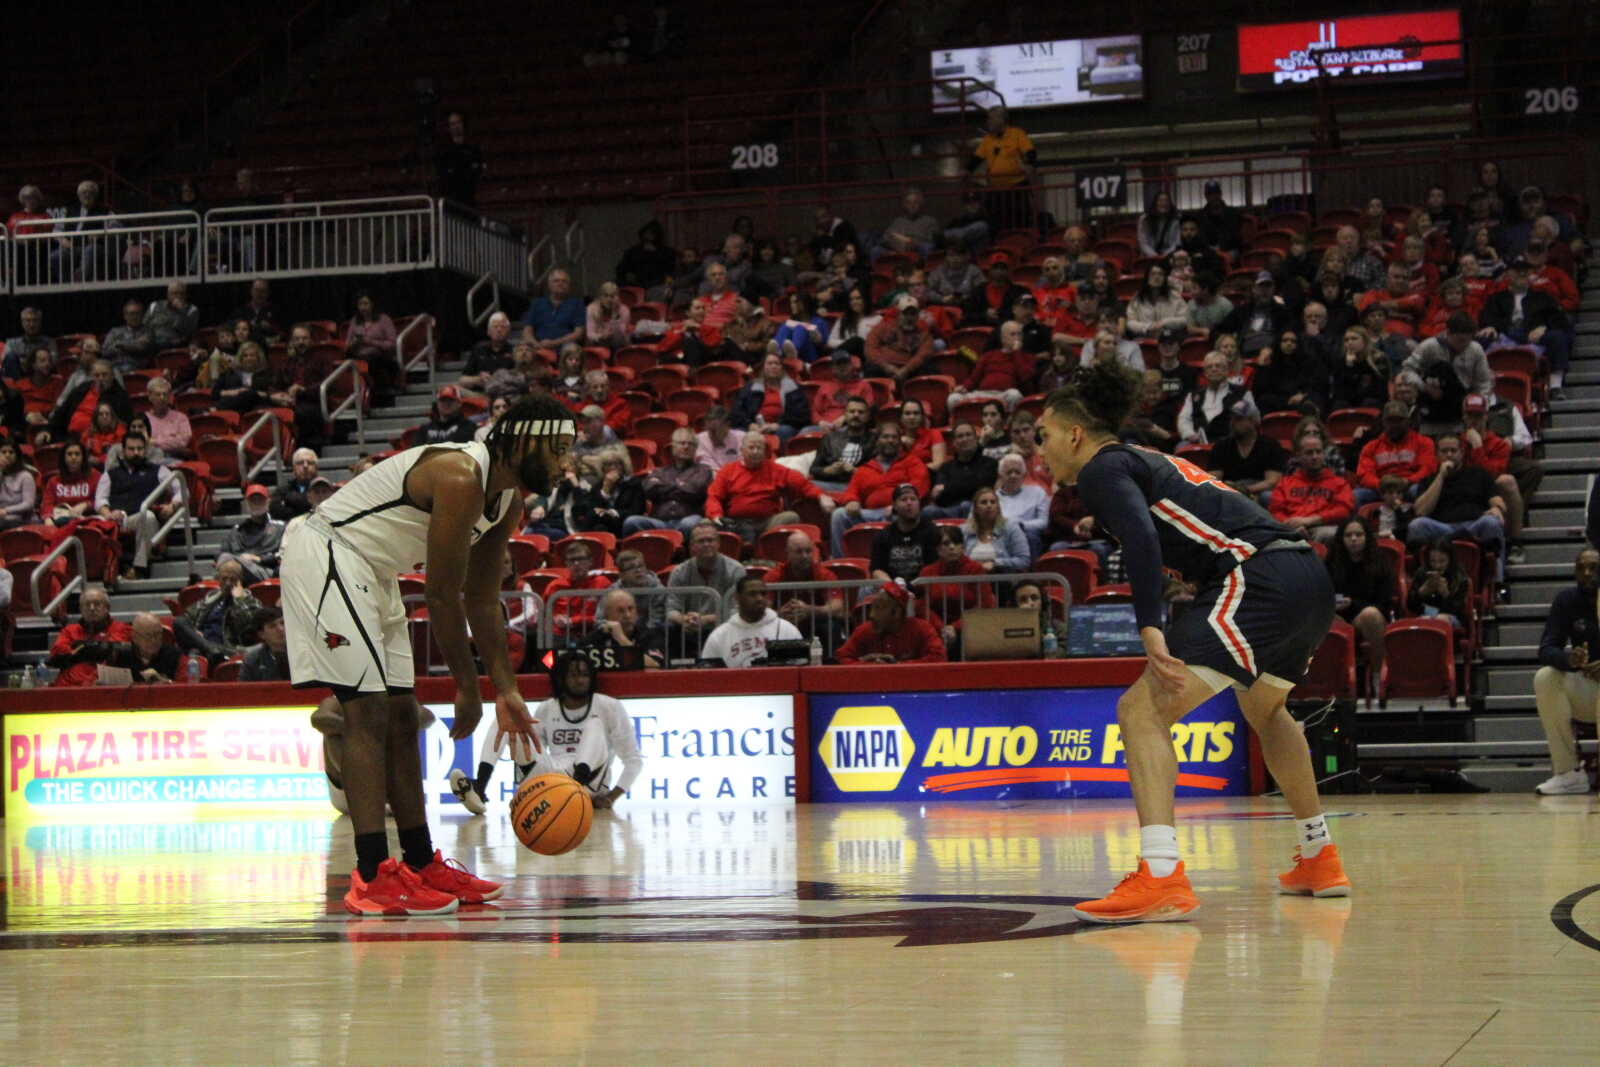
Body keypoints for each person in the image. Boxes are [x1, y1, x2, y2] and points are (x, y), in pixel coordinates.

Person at [1037, 360, 1348, 923]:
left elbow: (1137, 537)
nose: (1042, 449)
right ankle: (1318, 854)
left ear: (1074, 434)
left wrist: (1150, 627)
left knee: (1140, 710)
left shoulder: (1102, 469)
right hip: (1306, 577)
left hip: (1257, 579)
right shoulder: (1146, 459)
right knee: (1267, 709)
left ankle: (1160, 874)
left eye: (1045, 435)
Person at [278, 392, 574, 915]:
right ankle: (370, 873)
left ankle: (419, 861)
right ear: (527, 440)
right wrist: (466, 686)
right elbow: (441, 593)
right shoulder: (460, 476)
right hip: (328, 553)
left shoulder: (506, 501)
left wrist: (504, 689)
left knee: (399, 714)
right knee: (366, 711)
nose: (565, 462)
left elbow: (482, 599)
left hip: (373, 570)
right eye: (559, 448)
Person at [453, 650, 642, 817]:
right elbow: (533, 752)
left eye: (585, 675)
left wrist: (611, 797)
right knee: (508, 719)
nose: (580, 680)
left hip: (589, 782)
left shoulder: (608, 706)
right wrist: (523, 792)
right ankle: (480, 786)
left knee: (594, 724)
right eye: (574, 675)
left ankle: (573, 791)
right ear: (560, 678)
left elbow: (633, 760)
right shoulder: (546, 708)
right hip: (553, 778)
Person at [1531, 548, 1600, 795]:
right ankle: (1568, 772)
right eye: (1581, 568)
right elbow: (1546, 648)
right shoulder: (1567, 600)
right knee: (1546, 677)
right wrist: (1569, 659)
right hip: (1588, 690)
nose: (1587, 573)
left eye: (1593, 567)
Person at [706, 433, 833, 545]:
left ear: (764, 451)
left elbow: (802, 484)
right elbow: (714, 496)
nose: (755, 451)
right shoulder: (728, 470)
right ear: (742, 450)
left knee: (791, 516)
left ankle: (764, 547)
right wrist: (716, 515)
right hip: (736, 523)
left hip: (767, 523)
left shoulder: (775, 469)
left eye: (759, 448)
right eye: (751, 447)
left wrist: (820, 495)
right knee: (707, 523)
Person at [1477, 257, 1574, 396]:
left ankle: (1555, 386)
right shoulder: (1496, 298)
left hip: (1533, 336)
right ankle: (1480, 386)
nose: (1522, 274)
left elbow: (1560, 319)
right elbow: (1487, 318)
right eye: (1517, 271)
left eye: (1525, 271)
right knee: (1480, 340)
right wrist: (1491, 327)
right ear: (1508, 274)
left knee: (1557, 337)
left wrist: (1545, 327)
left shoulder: (1543, 297)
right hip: (1504, 335)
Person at [1406, 434, 1506, 565]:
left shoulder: (1478, 474)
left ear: (1462, 453)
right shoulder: (1429, 480)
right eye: (1444, 451)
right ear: (1437, 454)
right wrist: (1441, 476)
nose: (1449, 455)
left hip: (1473, 525)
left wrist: (1496, 508)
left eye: (1453, 451)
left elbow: (1497, 500)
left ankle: (1497, 582)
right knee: (1417, 525)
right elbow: (1420, 511)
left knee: (1491, 522)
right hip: (1441, 528)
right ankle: (1422, 577)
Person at [830, 426, 929, 556]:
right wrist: (851, 501)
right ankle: (840, 562)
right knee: (839, 515)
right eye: (886, 437)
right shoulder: (865, 468)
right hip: (869, 514)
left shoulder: (912, 462)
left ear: (899, 442)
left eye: (894, 437)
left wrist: (898, 505)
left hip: (899, 514)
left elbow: (919, 486)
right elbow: (851, 490)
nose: (890, 440)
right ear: (877, 441)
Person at [94, 431, 178, 579]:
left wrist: (173, 505)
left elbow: (182, 490)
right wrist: (108, 514)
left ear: (145, 450)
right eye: (131, 449)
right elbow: (100, 501)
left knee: (148, 517)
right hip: (117, 519)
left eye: (139, 449)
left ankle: (139, 568)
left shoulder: (159, 470)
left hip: (142, 517)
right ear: (123, 451)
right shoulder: (110, 474)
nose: (136, 453)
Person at [1325, 516, 1394, 694]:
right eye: (1348, 535)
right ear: (1342, 538)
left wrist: (1352, 603)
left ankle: (1379, 675)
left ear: (1366, 537)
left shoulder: (1380, 562)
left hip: (1370, 617)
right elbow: (1322, 596)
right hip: (1339, 617)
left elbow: (1385, 603)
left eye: (1358, 534)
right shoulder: (1332, 561)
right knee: (1321, 618)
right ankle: (1333, 682)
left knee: (1370, 614)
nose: (1354, 539)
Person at [664, 521, 746, 658]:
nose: (707, 544)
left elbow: (737, 611)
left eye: (711, 540)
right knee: (668, 628)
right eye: (701, 541)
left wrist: (706, 619)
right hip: (689, 629)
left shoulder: (735, 570)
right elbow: (671, 608)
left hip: (723, 628)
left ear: (718, 543)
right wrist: (683, 619)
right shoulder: (679, 572)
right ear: (692, 547)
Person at [175, 558, 265, 665]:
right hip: (204, 647)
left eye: (232, 579)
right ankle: (209, 648)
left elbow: (249, 629)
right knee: (179, 622)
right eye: (224, 579)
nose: (227, 583)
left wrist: (239, 600)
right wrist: (194, 631)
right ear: (218, 579)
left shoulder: (251, 601)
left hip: (227, 649)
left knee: (205, 655)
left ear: (240, 580)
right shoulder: (210, 598)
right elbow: (187, 618)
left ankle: (210, 650)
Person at [1269, 429, 1352, 544]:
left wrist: (1312, 520)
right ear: (1298, 456)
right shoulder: (1285, 483)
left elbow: (1343, 511)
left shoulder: (1339, 483)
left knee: (1331, 534)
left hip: (1323, 528)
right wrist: (1290, 524)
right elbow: (1275, 511)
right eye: (1309, 453)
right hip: (1292, 529)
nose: (1315, 457)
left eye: (1318, 452)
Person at [700, 576, 803, 667]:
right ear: (737, 597)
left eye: (763, 594)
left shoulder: (788, 630)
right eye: (752, 594)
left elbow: (800, 668)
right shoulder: (719, 636)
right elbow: (708, 676)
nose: (759, 598)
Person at [625, 427, 711, 534]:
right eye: (682, 443)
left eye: (691, 444)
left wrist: (664, 487)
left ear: (696, 448)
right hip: (658, 522)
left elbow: (694, 490)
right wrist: (680, 485)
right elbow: (649, 490)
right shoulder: (659, 471)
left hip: (686, 520)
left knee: (691, 524)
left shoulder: (703, 470)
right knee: (631, 522)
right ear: (673, 446)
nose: (686, 447)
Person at [836, 581, 947, 664]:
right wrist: (866, 663)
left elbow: (939, 658)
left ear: (896, 612)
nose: (871, 615)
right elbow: (842, 657)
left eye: (879, 608)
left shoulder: (922, 629)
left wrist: (898, 666)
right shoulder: (864, 630)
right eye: (872, 609)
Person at [966, 106, 1036, 232]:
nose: (988, 122)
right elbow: (975, 159)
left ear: (1001, 119)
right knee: (998, 223)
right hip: (996, 189)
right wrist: (965, 171)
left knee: (1021, 221)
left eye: (991, 118)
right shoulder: (987, 140)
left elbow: (1030, 152)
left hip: (1017, 188)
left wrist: (1029, 166)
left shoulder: (1017, 134)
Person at [47, 586, 133, 687]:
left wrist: (80, 648)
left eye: (97, 604)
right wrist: (95, 650)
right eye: (87, 605)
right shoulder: (69, 630)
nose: (91, 608)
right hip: (67, 687)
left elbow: (115, 654)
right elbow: (57, 653)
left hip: (104, 688)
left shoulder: (121, 628)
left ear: (107, 608)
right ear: (80, 609)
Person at [1354, 401, 1437, 505]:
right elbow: (1364, 474)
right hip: (1381, 489)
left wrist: (1407, 481)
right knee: (1357, 495)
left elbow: (1428, 469)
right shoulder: (1370, 447)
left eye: (1399, 420)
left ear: (1408, 422)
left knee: (1419, 490)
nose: (1394, 425)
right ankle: (1359, 522)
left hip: (1409, 486)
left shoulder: (1424, 442)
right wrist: (1381, 484)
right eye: (1390, 421)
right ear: (1383, 423)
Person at [1206, 398, 1286, 502]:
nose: (1233, 423)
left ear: (1253, 421)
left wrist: (1246, 490)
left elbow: (1272, 481)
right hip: (1229, 493)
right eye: (1232, 418)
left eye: (1239, 419)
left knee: (1268, 496)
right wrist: (1233, 490)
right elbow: (1213, 479)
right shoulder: (1221, 446)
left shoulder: (1270, 446)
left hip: (1258, 492)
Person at [731, 351, 809, 445]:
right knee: (737, 433)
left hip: (780, 426)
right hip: (755, 426)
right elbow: (737, 411)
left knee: (784, 431)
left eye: (777, 364)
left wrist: (777, 425)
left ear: (782, 368)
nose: (773, 366)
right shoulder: (751, 387)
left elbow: (801, 415)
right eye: (770, 363)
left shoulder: (792, 387)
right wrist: (750, 425)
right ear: (763, 367)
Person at [578, 587, 664, 671]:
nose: (627, 615)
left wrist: (621, 638)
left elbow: (654, 664)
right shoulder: (593, 640)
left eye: (631, 609)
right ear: (607, 615)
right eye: (620, 611)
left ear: (637, 612)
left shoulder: (650, 636)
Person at [1176, 351, 1250, 445]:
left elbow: (1252, 418)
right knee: (1181, 446)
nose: (1214, 369)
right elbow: (1184, 419)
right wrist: (1190, 434)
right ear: (1205, 373)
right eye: (1209, 367)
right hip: (1199, 442)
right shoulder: (1194, 395)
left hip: (1230, 443)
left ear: (1227, 370)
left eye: (1218, 366)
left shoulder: (1242, 393)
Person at [926, 422, 998, 519]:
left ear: (976, 439)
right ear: (954, 443)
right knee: (928, 511)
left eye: (968, 435)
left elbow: (982, 490)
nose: (965, 439)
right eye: (960, 436)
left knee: (966, 506)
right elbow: (939, 498)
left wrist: (947, 487)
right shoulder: (946, 467)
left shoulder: (990, 463)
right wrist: (971, 483)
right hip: (950, 510)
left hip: (977, 511)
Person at [218, 483, 285, 583]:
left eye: (260, 500)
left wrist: (259, 559)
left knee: (227, 562)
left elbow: (285, 555)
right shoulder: (236, 531)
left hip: (266, 571)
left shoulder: (280, 528)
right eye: (253, 500)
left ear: (268, 502)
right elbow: (222, 553)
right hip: (237, 570)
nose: (256, 503)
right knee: (226, 562)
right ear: (246, 504)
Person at [104, 612, 188, 684]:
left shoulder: (175, 655)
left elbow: (185, 689)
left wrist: (164, 682)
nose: (154, 640)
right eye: (148, 636)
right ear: (134, 637)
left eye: (157, 634)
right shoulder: (119, 656)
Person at [1405, 539, 1472, 630]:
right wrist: (1421, 593)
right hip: (1426, 614)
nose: (1437, 566)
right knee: (1422, 621)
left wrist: (1446, 594)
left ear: (1450, 559)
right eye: (1433, 561)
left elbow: (1460, 611)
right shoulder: (1422, 572)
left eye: (1442, 561)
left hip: (1452, 617)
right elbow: (1410, 606)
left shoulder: (1459, 575)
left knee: (1440, 620)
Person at [964, 484, 1032, 573]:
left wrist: (996, 563)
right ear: (975, 508)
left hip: (1002, 580)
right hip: (971, 581)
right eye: (984, 502)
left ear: (998, 507)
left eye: (993, 502)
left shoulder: (1011, 527)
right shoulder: (965, 530)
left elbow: (1024, 560)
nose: (989, 505)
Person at [434, 111, 486, 205]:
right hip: (452, 198)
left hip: (469, 197)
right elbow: (442, 174)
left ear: (463, 124)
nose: (456, 126)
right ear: (449, 128)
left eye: (458, 122)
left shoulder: (473, 148)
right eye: (452, 124)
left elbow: (478, 169)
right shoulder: (444, 150)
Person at [240, 605, 292, 681]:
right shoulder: (252, 660)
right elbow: (243, 690)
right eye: (272, 626)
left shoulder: (305, 653)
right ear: (262, 635)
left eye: (282, 623)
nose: (280, 629)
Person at [694, 404, 745, 471]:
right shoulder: (698, 440)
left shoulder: (741, 438)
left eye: (716, 430)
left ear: (727, 425)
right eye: (709, 430)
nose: (712, 435)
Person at [0, 441, 37, 529]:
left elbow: (28, 504)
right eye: (3, 452)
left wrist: (6, 510)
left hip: (22, 519)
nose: (7, 455)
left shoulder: (25, 476)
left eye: (11, 452)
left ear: (17, 455)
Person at [1137, 191, 1181, 258]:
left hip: (1170, 256)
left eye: (1166, 201)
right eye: (1160, 201)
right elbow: (1143, 242)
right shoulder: (1145, 219)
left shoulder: (1177, 218)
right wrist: (1154, 256)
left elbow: (1176, 242)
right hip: (1149, 256)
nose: (1164, 203)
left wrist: (1165, 255)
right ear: (1155, 203)